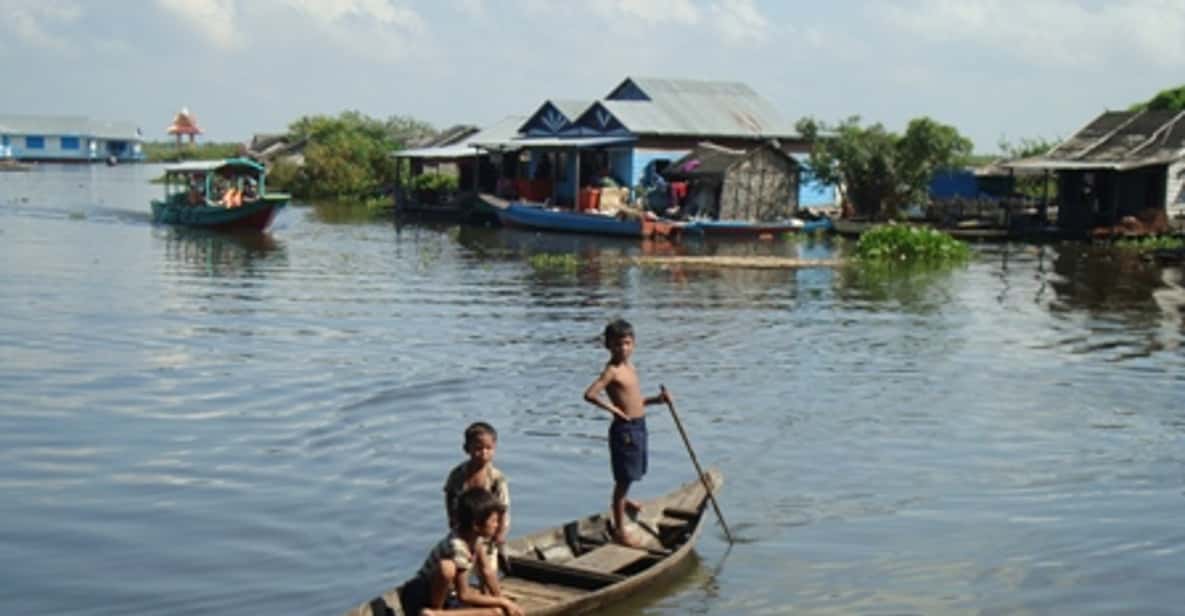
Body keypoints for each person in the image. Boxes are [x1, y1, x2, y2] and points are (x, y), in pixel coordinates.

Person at [582, 318, 671, 547]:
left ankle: (625, 501)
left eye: (627, 343)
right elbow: (590, 394)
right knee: (623, 479)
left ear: (633, 344)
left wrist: (658, 400)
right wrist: (614, 410)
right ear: (608, 346)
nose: (622, 348)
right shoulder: (611, 371)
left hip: (639, 425)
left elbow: (636, 400)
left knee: (633, 471)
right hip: (625, 429)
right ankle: (620, 531)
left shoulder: (630, 368)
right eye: (617, 344)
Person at [402, 488, 523, 616]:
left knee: (498, 611)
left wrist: (501, 600)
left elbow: (487, 571)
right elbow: (464, 595)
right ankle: (436, 613)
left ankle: (436, 612)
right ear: (476, 525)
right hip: (418, 596)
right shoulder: (458, 547)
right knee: (447, 568)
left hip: (445, 596)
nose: (497, 525)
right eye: (493, 521)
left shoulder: (474, 538)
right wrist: (503, 603)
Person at [443, 422, 510, 595]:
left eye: (489, 448)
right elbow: (450, 494)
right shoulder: (458, 474)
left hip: (488, 531)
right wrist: (451, 517)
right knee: (460, 562)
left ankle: (488, 593)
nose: (484, 453)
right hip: (464, 529)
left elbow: (503, 508)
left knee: (488, 567)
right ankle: (460, 592)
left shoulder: (496, 478)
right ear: (467, 448)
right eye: (478, 448)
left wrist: (500, 532)